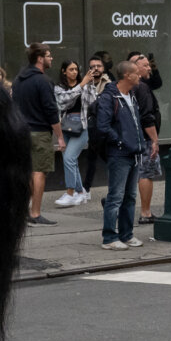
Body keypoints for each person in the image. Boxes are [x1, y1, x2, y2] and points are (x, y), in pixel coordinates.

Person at [93, 60, 148, 250]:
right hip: (119, 153)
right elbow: (103, 126)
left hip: (133, 152)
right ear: (126, 75)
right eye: (136, 73)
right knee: (115, 196)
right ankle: (109, 238)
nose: (139, 75)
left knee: (130, 196)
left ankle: (126, 234)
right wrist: (119, 142)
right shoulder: (110, 97)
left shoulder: (130, 95)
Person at [13, 43, 65, 225]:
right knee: (39, 172)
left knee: (27, 172)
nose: (52, 58)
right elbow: (51, 110)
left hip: (21, 131)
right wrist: (59, 136)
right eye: (49, 55)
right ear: (40, 58)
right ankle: (35, 213)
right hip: (40, 132)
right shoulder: (43, 81)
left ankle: (25, 211)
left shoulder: (19, 80)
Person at [128, 52, 163, 224]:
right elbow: (146, 116)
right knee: (146, 173)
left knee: (135, 173)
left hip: (133, 136)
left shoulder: (129, 85)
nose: (149, 68)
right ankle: (146, 213)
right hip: (144, 138)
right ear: (135, 67)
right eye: (145, 66)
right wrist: (154, 140)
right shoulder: (141, 87)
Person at [54, 59, 91, 206]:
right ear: (64, 71)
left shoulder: (87, 85)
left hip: (82, 125)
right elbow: (64, 102)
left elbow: (92, 103)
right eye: (71, 69)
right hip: (65, 125)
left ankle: (70, 193)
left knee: (69, 158)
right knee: (70, 161)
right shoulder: (59, 87)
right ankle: (80, 192)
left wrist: (84, 86)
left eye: (76, 69)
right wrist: (81, 86)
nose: (74, 72)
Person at [78, 56, 111, 191]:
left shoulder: (109, 83)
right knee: (90, 159)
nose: (96, 69)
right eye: (93, 66)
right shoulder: (84, 84)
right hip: (88, 126)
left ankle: (113, 187)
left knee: (108, 158)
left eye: (99, 66)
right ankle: (86, 188)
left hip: (104, 127)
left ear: (103, 68)